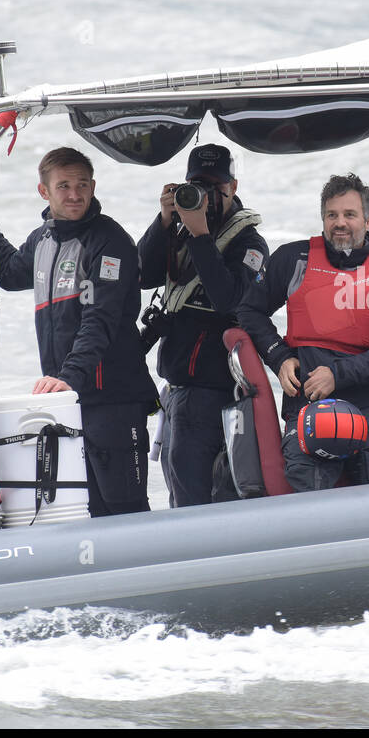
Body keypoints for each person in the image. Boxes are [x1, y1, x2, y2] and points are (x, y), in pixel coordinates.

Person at [0, 147, 157, 517]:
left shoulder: (110, 241)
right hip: (68, 401)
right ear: (44, 192)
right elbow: (7, 272)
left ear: (93, 186)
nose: (74, 194)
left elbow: (99, 319)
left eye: (82, 185)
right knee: (84, 507)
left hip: (113, 399)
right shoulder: (43, 241)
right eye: (64, 186)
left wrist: (67, 378)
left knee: (124, 506)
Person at [238, 173, 369, 492]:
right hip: (307, 407)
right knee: (309, 488)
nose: (340, 223)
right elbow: (249, 311)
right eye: (332, 215)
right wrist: (279, 357)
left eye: (350, 214)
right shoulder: (293, 259)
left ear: (368, 220)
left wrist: (338, 374)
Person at [137, 143, 269, 506]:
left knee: (199, 491)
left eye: (215, 189)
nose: (206, 199)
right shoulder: (178, 231)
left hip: (215, 392)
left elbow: (228, 297)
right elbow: (141, 275)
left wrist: (200, 237)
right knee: (178, 485)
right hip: (177, 388)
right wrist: (164, 221)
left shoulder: (249, 243)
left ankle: (202, 554)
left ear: (233, 188)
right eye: (197, 187)